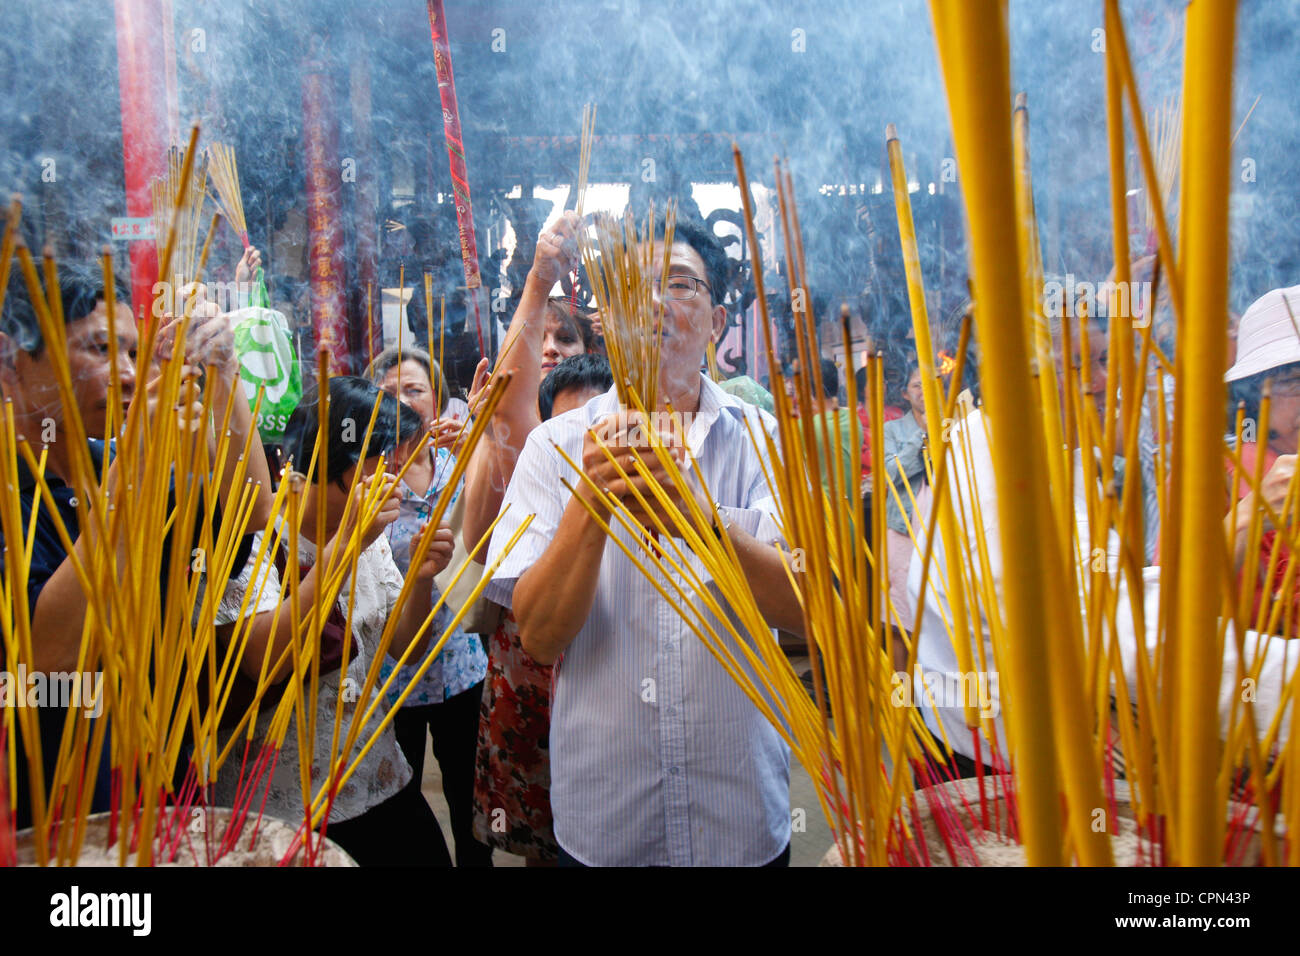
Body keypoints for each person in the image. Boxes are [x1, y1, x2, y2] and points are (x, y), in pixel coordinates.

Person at [483, 217, 805, 867]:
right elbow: (540, 637)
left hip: (738, 821)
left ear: (716, 322)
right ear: (608, 319)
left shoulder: (767, 441)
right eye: (635, 286)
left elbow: (807, 611)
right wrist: (590, 503)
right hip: (607, 823)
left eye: (679, 284)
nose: (654, 300)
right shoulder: (554, 449)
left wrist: (704, 523)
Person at [0, 263, 269, 829]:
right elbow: (46, 659)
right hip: (44, 819)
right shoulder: (18, 490)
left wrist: (222, 375)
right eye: (100, 349)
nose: (126, 374)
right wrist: (134, 474)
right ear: (10, 362)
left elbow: (248, 510)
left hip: (159, 791)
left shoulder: (114, 464)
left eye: (132, 353)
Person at [212, 377, 455, 866]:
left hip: (378, 775)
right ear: (332, 455)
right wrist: (348, 543)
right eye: (386, 458)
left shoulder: (372, 529)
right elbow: (262, 663)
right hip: (283, 804)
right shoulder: (253, 535)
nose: (399, 473)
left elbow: (400, 646)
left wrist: (422, 579)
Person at [473, 352, 612, 865]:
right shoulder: (535, 455)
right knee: (540, 821)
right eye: (572, 434)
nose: (589, 449)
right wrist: (489, 438)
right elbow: (480, 548)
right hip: (531, 672)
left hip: (604, 685)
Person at [367, 345, 493, 867]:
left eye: (414, 390)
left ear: (436, 399)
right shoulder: (364, 479)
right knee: (401, 805)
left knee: (472, 808)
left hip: (461, 666)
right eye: (390, 392)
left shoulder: (462, 460)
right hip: (391, 677)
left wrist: (484, 443)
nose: (403, 400)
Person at [1224, 284, 1300, 625]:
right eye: (1294, 381)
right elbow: (1171, 611)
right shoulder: (1214, 475)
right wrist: (1251, 516)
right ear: (1254, 394)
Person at [882, 362, 929, 632]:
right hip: (904, 525)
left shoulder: (951, 423)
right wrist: (920, 437)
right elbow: (891, 472)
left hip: (941, 526)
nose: (923, 390)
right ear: (906, 394)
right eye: (916, 385)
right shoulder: (894, 430)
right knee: (899, 614)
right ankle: (901, 676)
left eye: (929, 383)